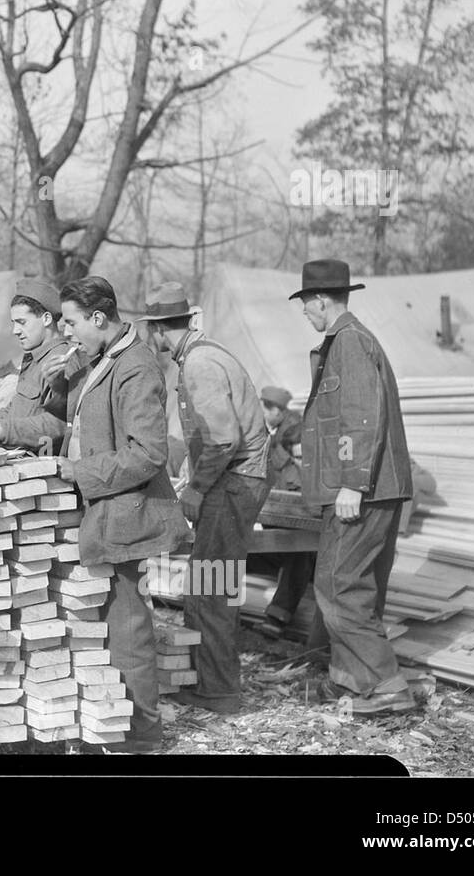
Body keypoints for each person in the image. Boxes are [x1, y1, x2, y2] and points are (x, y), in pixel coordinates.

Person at [54, 277, 190, 753]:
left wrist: (79, 470)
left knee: (128, 630)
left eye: (71, 322)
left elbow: (148, 453)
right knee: (116, 626)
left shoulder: (135, 368)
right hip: (108, 507)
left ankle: (141, 738)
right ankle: (118, 727)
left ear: (98, 318)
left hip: (128, 514)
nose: (65, 330)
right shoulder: (101, 359)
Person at [140, 282, 271, 716]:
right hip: (235, 481)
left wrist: (195, 488)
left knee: (212, 587)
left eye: (152, 329)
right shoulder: (202, 354)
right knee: (211, 585)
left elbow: (222, 440)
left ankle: (219, 691)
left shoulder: (198, 364)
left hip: (232, 483)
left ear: (160, 328)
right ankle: (212, 684)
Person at [291, 259, 416, 715]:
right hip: (371, 488)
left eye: (306, 305)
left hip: (364, 490)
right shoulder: (347, 341)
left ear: (321, 301)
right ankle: (353, 682)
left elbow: (362, 418)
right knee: (346, 584)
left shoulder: (348, 342)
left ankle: (385, 687)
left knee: (341, 587)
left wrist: (352, 484)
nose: (304, 314)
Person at [0, 278, 74, 452]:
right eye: (13, 323)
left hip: (46, 466)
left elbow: (59, 422)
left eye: (22, 322)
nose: (15, 331)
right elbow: (13, 412)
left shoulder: (60, 360)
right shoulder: (34, 360)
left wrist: (2, 431)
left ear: (46, 319)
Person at [256, 385, 315, 639]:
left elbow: (297, 476)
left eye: (267, 409)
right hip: (270, 509)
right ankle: (217, 609)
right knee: (233, 549)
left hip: (296, 512)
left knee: (299, 552)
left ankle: (278, 617)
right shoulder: (267, 430)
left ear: (277, 410)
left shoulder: (295, 430)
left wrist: (272, 446)